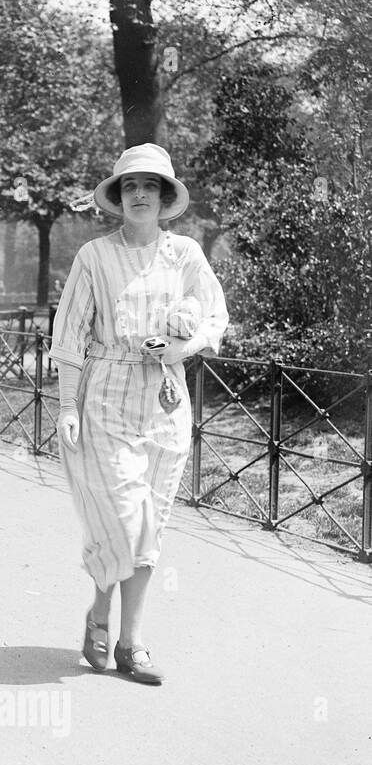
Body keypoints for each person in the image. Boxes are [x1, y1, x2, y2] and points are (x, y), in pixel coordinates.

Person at [52, 143, 228, 685]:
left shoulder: (186, 255)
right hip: (106, 395)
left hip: (166, 401)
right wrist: (65, 403)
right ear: (118, 197)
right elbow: (70, 334)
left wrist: (183, 345)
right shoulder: (95, 256)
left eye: (150, 186)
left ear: (165, 196)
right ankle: (100, 614)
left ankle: (131, 640)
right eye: (130, 186)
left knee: (152, 523)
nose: (140, 195)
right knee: (124, 520)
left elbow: (214, 316)